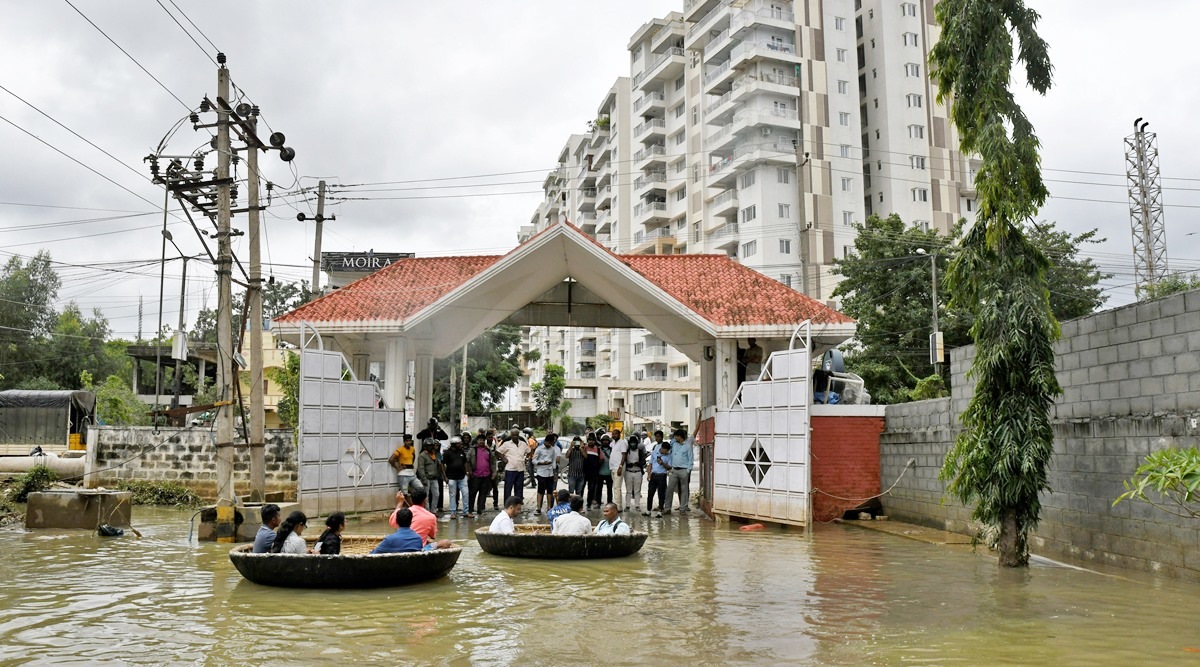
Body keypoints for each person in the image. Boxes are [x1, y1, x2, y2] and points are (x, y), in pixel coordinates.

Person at [664, 423, 698, 515]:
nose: (675, 438)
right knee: (669, 489)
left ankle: (683, 508)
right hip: (674, 470)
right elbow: (670, 445)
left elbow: (690, 458)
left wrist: (688, 470)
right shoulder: (674, 444)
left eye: (676, 436)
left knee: (684, 490)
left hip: (684, 470)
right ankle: (667, 508)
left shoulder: (687, 446)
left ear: (680, 436)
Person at [497, 429, 529, 503]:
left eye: (517, 435)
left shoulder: (523, 444)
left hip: (520, 469)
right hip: (510, 469)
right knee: (508, 488)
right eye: (513, 435)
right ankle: (507, 504)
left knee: (519, 489)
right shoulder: (507, 444)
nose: (515, 436)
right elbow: (498, 452)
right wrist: (503, 458)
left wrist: (526, 458)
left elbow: (529, 451)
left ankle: (517, 505)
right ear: (511, 435)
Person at [467, 435, 496, 518]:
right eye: (480, 440)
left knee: (483, 494)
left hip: (486, 476)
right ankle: (470, 510)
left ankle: (480, 510)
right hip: (475, 476)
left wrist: (493, 473)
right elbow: (467, 461)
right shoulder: (472, 450)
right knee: (472, 494)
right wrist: (470, 472)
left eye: (483, 440)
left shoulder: (488, 451)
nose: (481, 442)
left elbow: (493, 462)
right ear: (477, 441)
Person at [618, 433, 647, 515]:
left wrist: (639, 464)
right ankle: (627, 505)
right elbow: (623, 460)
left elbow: (643, 461)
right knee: (628, 490)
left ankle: (637, 505)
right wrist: (628, 464)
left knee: (637, 490)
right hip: (628, 472)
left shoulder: (640, 451)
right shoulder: (626, 451)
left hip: (637, 472)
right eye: (632, 442)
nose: (633, 444)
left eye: (634, 442)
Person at [443, 436, 469, 519]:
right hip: (451, 477)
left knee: (465, 493)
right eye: (459, 443)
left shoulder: (461, 451)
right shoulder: (447, 453)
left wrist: (467, 473)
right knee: (452, 495)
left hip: (462, 476)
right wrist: (445, 476)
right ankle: (453, 512)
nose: (460, 444)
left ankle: (466, 511)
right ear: (454, 444)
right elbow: (442, 464)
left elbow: (465, 462)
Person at [532, 433, 559, 514]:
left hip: (550, 472)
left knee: (550, 491)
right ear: (546, 441)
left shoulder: (552, 449)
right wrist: (541, 463)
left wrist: (554, 473)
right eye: (550, 443)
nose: (551, 445)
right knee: (540, 491)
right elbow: (534, 460)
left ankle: (549, 507)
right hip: (541, 472)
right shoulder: (539, 449)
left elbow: (554, 460)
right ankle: (538, 507)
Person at [416, 439, 444, 514]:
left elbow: (439, 465)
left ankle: (433, 511)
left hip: (434, 478)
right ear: (425, 446)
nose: (431, 447)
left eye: (431, 445)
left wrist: (438, 474)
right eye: (429, 446)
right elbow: (421, 468)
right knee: (426, 496)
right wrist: (424, 479)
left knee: (436, 494)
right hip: (427, 478)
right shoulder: (422, 456)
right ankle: (427, 511)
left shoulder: (434, 454)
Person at [647, 441, 671, 517]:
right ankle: (648, 511)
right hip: (654, 475)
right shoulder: (654, 453)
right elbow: (650, 464)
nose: (666, 452)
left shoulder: (669, 456)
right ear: (662, 448)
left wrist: (662, 463)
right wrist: (649, 474)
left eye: (667, 451)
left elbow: (669, 467)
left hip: (662, 476)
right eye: (666, 450)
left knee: (661, 494)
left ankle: (660, 511)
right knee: (650, 493)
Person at [583, 434, 604, 510]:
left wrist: (597, 465)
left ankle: (588, 504)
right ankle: (580, 505)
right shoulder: (584, 448)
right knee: (581, 489)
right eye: (589, 440)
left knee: (591, 489)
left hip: (594, 473)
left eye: (592, 440)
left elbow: (602, 459)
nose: (591, 442)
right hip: (584, 472)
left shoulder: (598, 449)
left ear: (595, 441)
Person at [608, 429, 626, 509]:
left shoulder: (622, 442)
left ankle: (618, 507)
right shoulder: (614, 443)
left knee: (617, 487)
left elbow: (624, 455)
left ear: (619, 434)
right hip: (613, 468)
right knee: (615, 487)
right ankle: (617, 505)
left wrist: (620, 467)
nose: (614, 435)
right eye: (613, 434)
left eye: (615, 434)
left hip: (618, 468)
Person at [598, 434, 614, 507]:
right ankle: (598, 502)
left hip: (609, 472)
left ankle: (609, 503)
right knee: (599, 489)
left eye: (606, 440)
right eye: (604, 440)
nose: (605, 442)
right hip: (600, 472)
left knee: (610, 489)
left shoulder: (612, 450)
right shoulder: (598, 449)